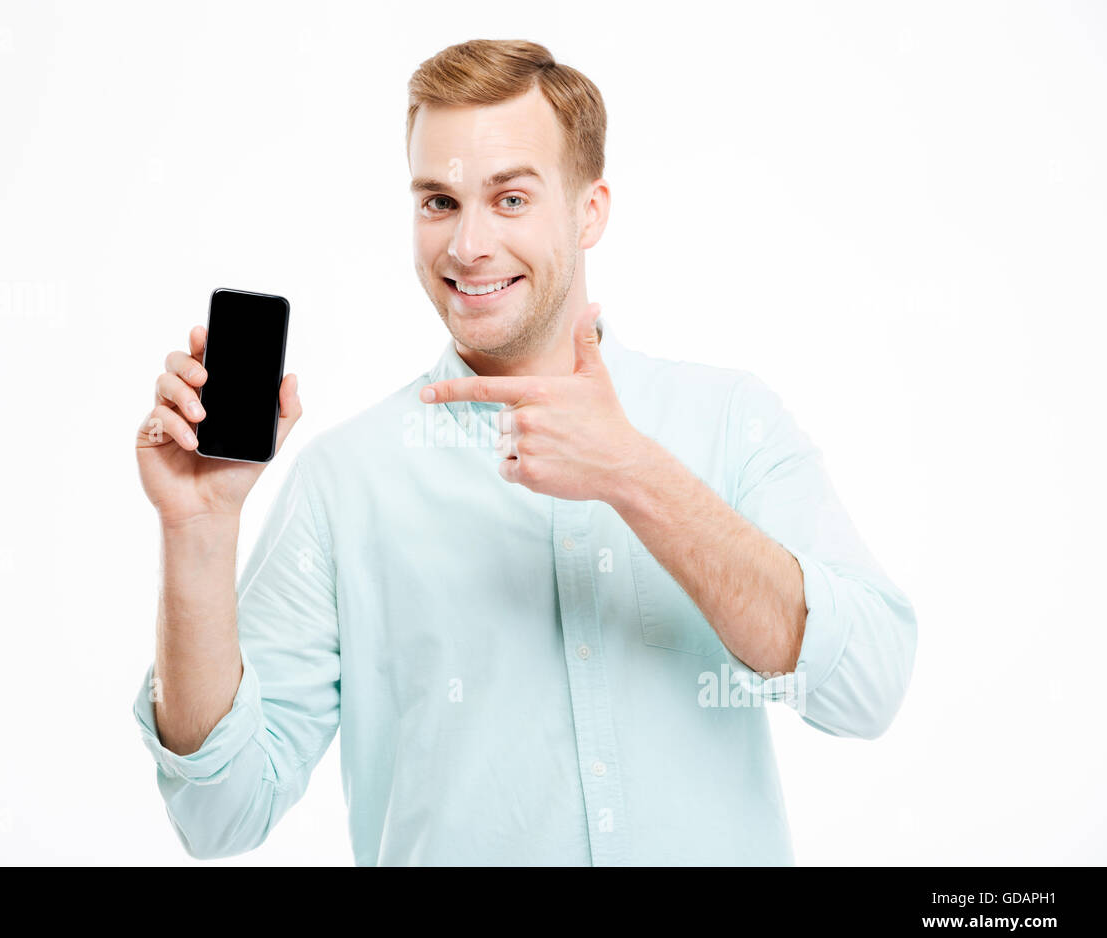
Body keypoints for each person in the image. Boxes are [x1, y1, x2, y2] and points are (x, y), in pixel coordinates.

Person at [131, 38, 916, 865]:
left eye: (510, 199)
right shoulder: (345, 483)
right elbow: (218, 817)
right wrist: (198, 533)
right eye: (438, 201)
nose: (467, 246)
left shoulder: (726, 419)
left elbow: (867, 686)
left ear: (590, 210)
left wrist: (636, 477)